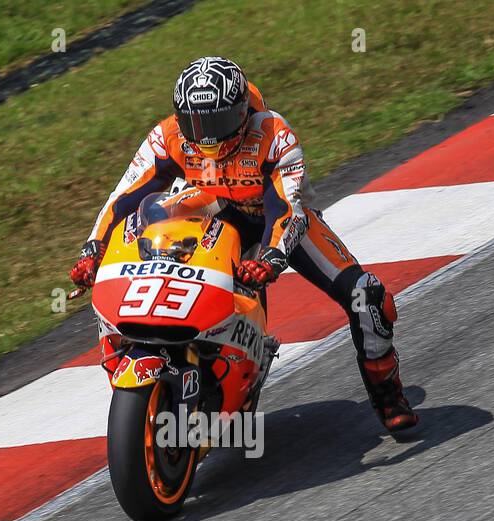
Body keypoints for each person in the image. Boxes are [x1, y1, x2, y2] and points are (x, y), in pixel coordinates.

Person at [70, 56, 417, 431]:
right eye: (194, 123)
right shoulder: (167, 135)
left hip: (276, 223)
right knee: (148, 215)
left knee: (368, 298)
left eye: (216, 122)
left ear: (240, 113)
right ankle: (166, 345)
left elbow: (287, 208)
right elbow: (122, 196)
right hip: (213, 208)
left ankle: (387, 393)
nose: (206, 136)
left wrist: (271, 258)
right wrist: (92, 250)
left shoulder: (274, 135)